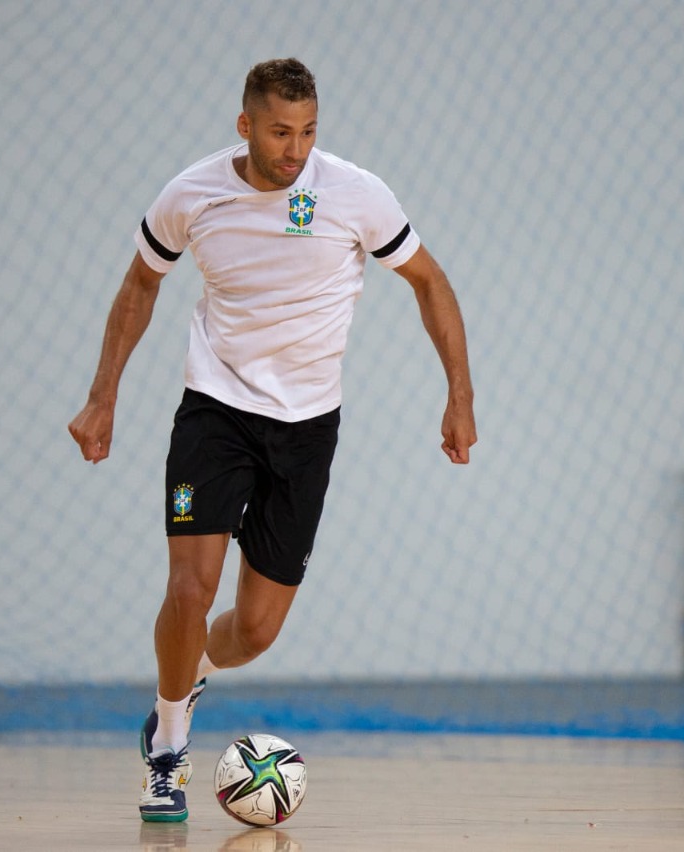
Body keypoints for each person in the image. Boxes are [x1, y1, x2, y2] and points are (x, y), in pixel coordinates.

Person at [67, 57, 476, 822]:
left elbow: (430, 281)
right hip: (215, 413)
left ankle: (189, 671)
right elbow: (141, 283)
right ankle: (167, 749)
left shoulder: (354, 193)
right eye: (281, 132)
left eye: (309, 131)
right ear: (246, 125)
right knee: (190, 589)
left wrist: (460, 394)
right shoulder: (193, 195)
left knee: (253, 632)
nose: (296, 150)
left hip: (308, 428)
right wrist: (103, 397)